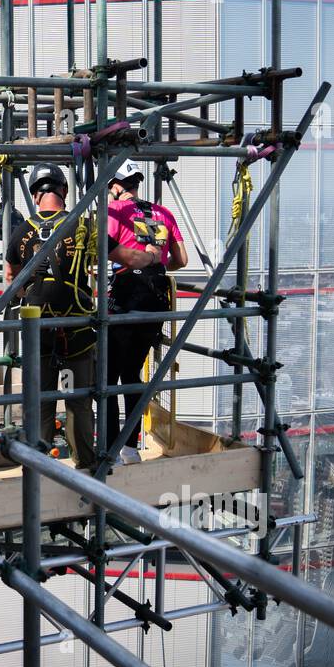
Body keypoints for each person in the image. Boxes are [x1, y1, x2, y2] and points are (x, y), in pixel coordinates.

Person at [4, 163, 158, 471]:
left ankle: (37, 466)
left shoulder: (21, 232)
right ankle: (85, 467)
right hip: (75, 331)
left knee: (42, 399)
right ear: (63, 190)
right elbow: (129, 257)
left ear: (35, 196)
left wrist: (31, 296)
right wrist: (153, 255)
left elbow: (10, 279)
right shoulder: (85, 226)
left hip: (39, 331)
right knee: (77, 399)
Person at [104, 160, 187, 460]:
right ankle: (130, 447)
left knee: (108, 377)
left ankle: (110, 449)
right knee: (132, 374)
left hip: (126, 295)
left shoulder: (114, 212)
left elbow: (100, 252)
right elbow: (181, 259)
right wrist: (155, 262)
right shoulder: (163, 213)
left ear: (115, 185)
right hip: (156, 297)